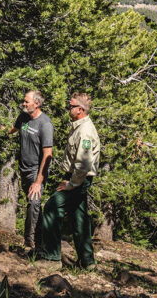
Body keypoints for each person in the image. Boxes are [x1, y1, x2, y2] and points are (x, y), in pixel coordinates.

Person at [0, 90, 53, 249]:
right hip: (24, 169)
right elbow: (10, 130)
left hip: (37, 170)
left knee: (33, 203)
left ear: (37, 104)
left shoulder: (45, 124)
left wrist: (39, 181)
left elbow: (48, 154)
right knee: (34, 204)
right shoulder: (24, 116)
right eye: (24, 101)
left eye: (27, 102)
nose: (24, 104)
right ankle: (41, 242)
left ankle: (29, 240)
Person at [39, 92, 100, 269]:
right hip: (76, 177)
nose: (68, 108)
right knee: (79, 217)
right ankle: (87, 262)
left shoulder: (85, 131)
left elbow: (83, 163)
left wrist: (71, 184)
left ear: (80, 110)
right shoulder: (79, 127)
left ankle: (52, 259)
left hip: (78, 179)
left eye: (71, 106)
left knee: (52, 207)